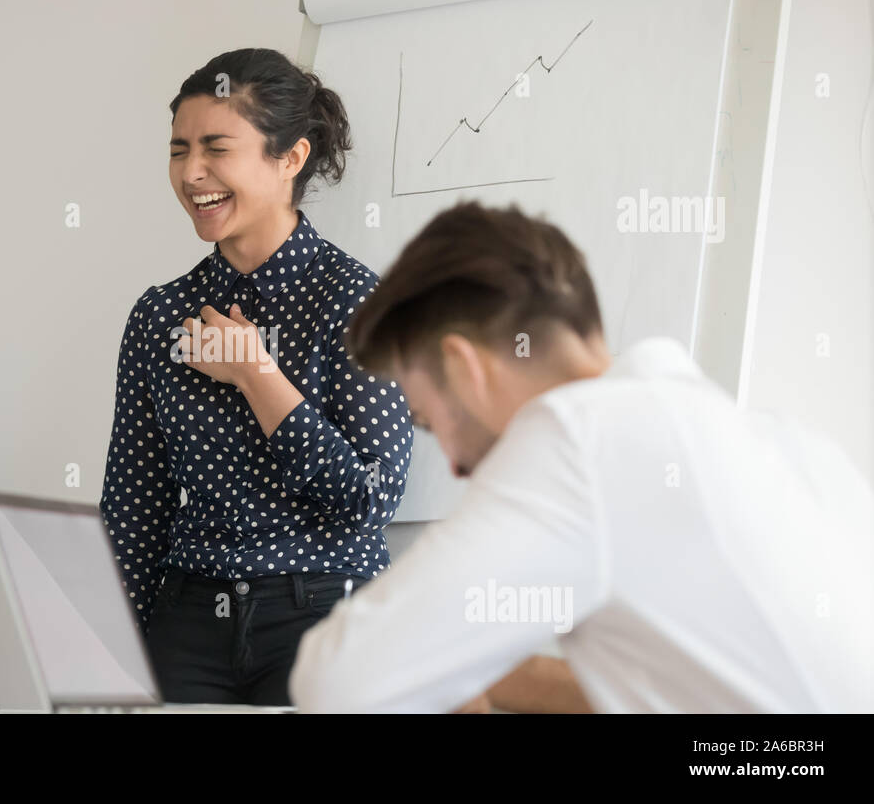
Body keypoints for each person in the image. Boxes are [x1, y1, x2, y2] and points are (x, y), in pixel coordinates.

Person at [289, 201, 873, 713]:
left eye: (429, 421)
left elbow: (335, 684)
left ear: (467, 367)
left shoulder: (577, 438)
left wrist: (440, 664)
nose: (455, 466)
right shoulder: (779, 441)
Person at [99, 48, 414, 705]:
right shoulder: (160, 315)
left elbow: (367, 501)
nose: (192, 173)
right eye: (179, 149)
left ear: (290, 157)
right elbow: (135, 509)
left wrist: (255, 372)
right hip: (185, 621)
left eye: (216, 147)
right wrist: (102, 660)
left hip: (321, 613)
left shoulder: (357, 302)